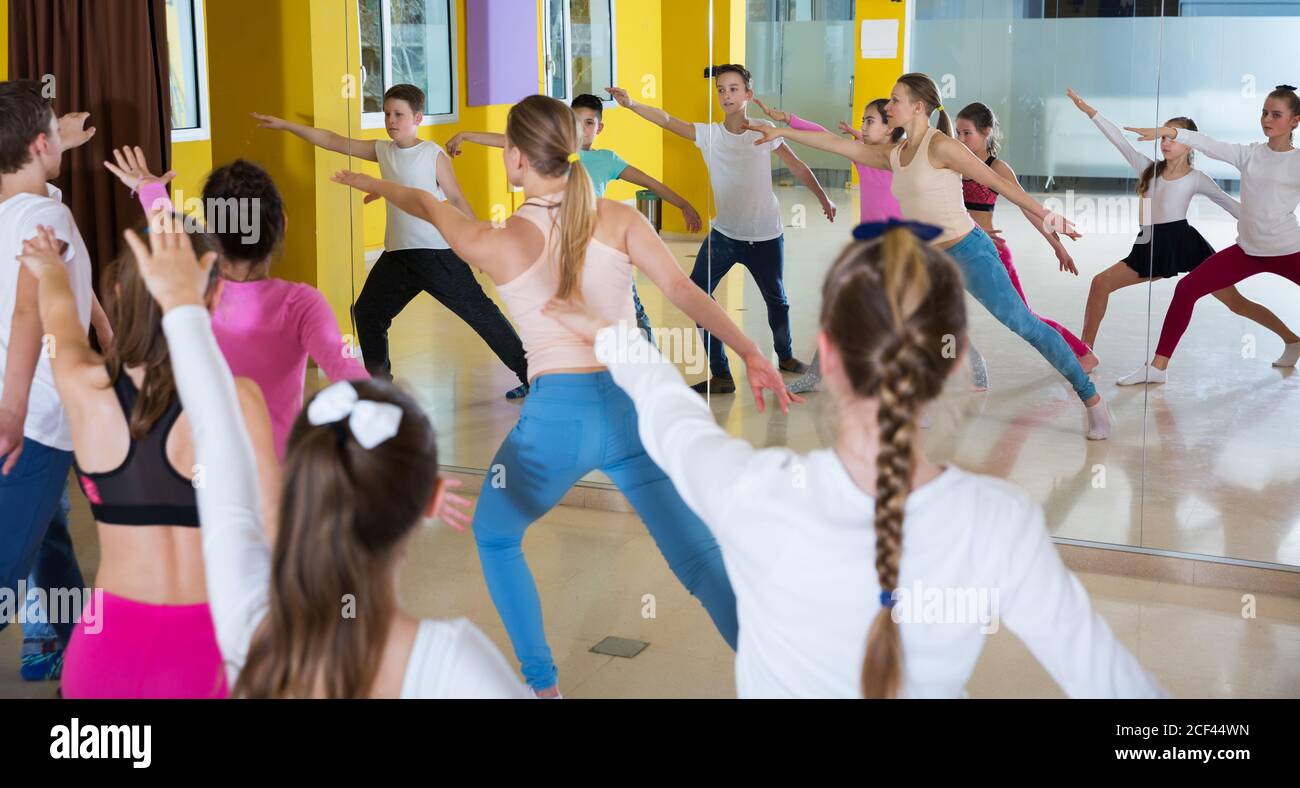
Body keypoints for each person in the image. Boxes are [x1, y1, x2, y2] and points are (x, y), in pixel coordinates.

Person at [543, 221, 1167, 698]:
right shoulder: (999, 523)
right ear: (952, 363)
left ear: (828, 357)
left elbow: (668, 411)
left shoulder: (752, 491)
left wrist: (605, 333)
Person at [333, 94, 797, 696]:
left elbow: (424, 201)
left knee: (496, 534)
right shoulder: (620, 218)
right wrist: (752, 351)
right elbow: (685, 291)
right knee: (698, 560)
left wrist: (372, 182)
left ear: (517, 159)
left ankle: (543, 686)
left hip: (556, 423)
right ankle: (791, 675)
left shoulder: (496, 242)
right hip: (634, 409)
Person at [120, 213, 530, 698]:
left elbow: (218, 423)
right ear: (419, 497)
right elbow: (218, 418)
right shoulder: (453, 662)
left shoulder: (244, 615)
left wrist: (181, 308)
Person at [749, 73, 1112, 440]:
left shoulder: (942, 147)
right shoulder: (895, 153)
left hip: (969, 251)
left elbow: (999, 183)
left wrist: (1052, 219)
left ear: (917, 107)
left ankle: (1092, 399)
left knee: (1024, 325)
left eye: (894, 100)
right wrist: (783, 133)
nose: (888, 106)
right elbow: (833, 143)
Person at [254, 84, 529, 399]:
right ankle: (379, 386)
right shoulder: (382, 150)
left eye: (399, 114)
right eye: (386, 114)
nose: (391, 120)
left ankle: (533, 376)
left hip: (436, 254)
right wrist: (287, 126)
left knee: (482, 315)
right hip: (399, 255)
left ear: (418, 118)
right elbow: (333, 141)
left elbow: (455, 197)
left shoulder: (432, 154)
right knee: (368, 312)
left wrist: (477, 244)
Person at [608, 65, 834, 394]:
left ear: (748, 95)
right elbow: (669, 121)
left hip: (765, 235)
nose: (726, 95)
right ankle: (722, 374)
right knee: (698, 296)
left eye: (733, 89)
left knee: (777, 301)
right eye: (721, 90)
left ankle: (784, 356)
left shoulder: (764, 130)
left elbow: (796, 165)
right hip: (725, 235)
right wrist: (632, 105)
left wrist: (823, 196)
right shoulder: (710, 134)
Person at [1117, 84, 1300, 385]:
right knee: (1187, 289)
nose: (1267, 119)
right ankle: (1158, 368)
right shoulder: (1249, 154)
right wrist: (1169, 132)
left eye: (1276, 114)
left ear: (1295, 121)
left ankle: (1293, 342)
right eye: (1264, 112)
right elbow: (1206, 143)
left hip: (1289, 250)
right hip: (1248, 252)